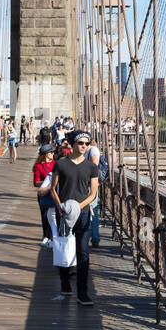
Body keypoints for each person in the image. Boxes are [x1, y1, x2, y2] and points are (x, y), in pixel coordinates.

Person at [49, 129, 98, 306]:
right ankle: (65, 284)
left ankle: (82, 292)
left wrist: (79, 207)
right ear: (73, 144)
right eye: (80, 143)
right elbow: (53, 187)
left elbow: (93, 193)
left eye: (87, 144)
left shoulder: (91, 167)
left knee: (83, 252)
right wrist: (60, 206)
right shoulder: (61, 164)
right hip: (64, 212)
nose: (84, 146)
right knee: (63, 247)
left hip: (83, 213)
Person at [32, 145, 56, 245]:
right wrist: (46, 182)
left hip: (55, 193)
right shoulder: (38, 166)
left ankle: (53, 237)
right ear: (46, 154)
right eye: (51, 152)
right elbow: (35, 182)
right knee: (45, 216)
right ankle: (46, 236)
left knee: (54, 216)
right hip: (44, 193)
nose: (53, 153)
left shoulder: (56, 164)